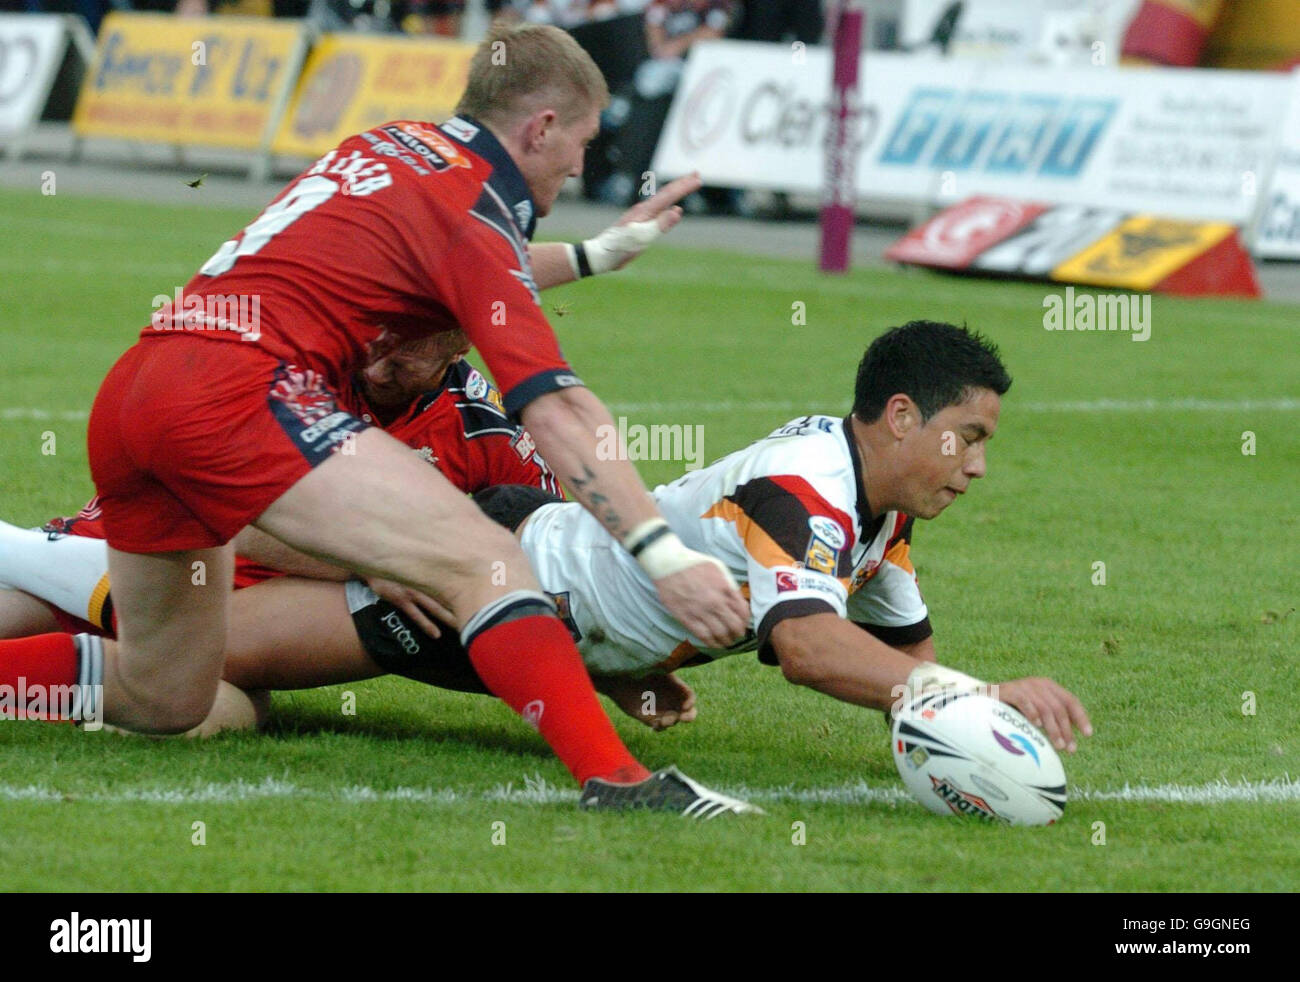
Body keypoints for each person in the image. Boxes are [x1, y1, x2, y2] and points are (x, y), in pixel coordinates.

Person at [0, 23, 753, 818]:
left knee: (164, 696)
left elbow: (461, 253)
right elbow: (558, 404)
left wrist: (594, 257)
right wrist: (664, 555)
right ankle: (620, 784)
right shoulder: (474, 206)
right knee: (485, 560)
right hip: (239, 390)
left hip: (141, 386)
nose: (580, 164)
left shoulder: (396, 145)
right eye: (583, 142)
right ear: (542, 128)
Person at [5, 323, 1093, 784]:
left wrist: (957, 724)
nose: (978, 464)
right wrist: (978, 700)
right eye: (972, 436)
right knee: (198, 666)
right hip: (495, 583)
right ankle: (26, 550)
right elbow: (811, 650)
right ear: (899, 416)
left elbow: (899, 646)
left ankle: (38, 578)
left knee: (217, 696)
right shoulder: (804, 484)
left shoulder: (878, 511)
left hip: (539, 584)